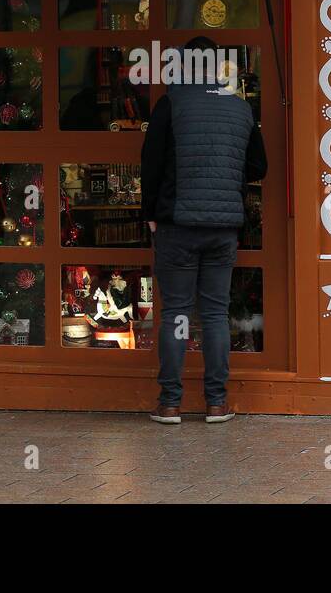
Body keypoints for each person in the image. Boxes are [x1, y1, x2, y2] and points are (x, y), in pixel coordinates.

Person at [140, 36, 267, 424]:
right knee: (215, 314)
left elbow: (150, 163)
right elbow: (259, 167)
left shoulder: (170, 104)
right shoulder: (241, 108)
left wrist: (150, 213)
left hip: (177, 226)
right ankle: (216, 402)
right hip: (223, 228)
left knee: (176, 313)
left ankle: (171, 403)